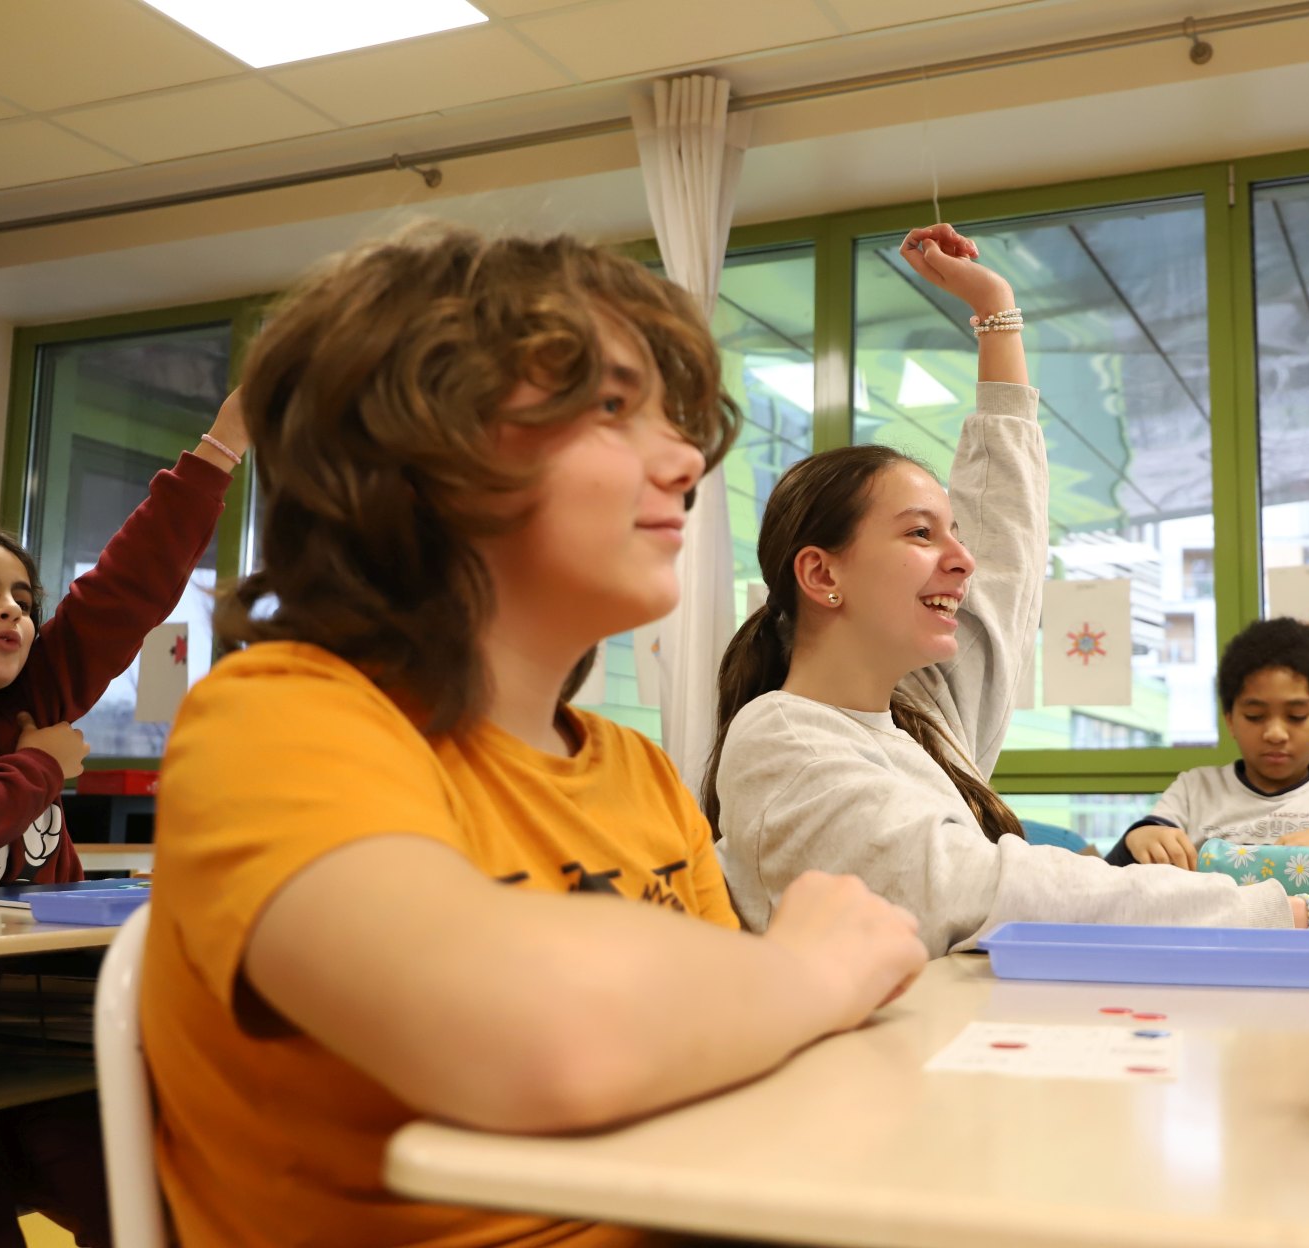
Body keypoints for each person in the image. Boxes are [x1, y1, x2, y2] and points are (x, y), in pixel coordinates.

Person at [140, 226, 927, 1247]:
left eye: (671, 418)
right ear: (416, 443)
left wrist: (775, 997)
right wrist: (809, 970)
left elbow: (735, 1075)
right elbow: (545, 1040)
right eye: (610, 406)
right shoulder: (278, 716)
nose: (687, 460)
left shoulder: (637, 774)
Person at [707, 224, 1309, 957]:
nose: (961, 560)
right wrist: (1297, 916)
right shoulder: (779, 738)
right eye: (921, 534)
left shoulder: (923, 720)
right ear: (821, 574)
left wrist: (997, 314)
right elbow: (980, 891)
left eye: (953, 533)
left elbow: (1005, 540)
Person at [0, 388, 242, 1248]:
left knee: (148, 1206)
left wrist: (222, 446)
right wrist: (41, 765)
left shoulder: (35, 694)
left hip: (55, 1028)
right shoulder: (36, 736)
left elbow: (127, 589)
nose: (12, 610)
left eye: (23, 597)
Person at [1111, 616, 1309, 869]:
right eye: (1255, 716)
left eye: (1296, 715)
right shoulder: (1196, 789)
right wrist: (1138, 837)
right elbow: (1116, 872)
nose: (1276, 733)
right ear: (1230, 719)